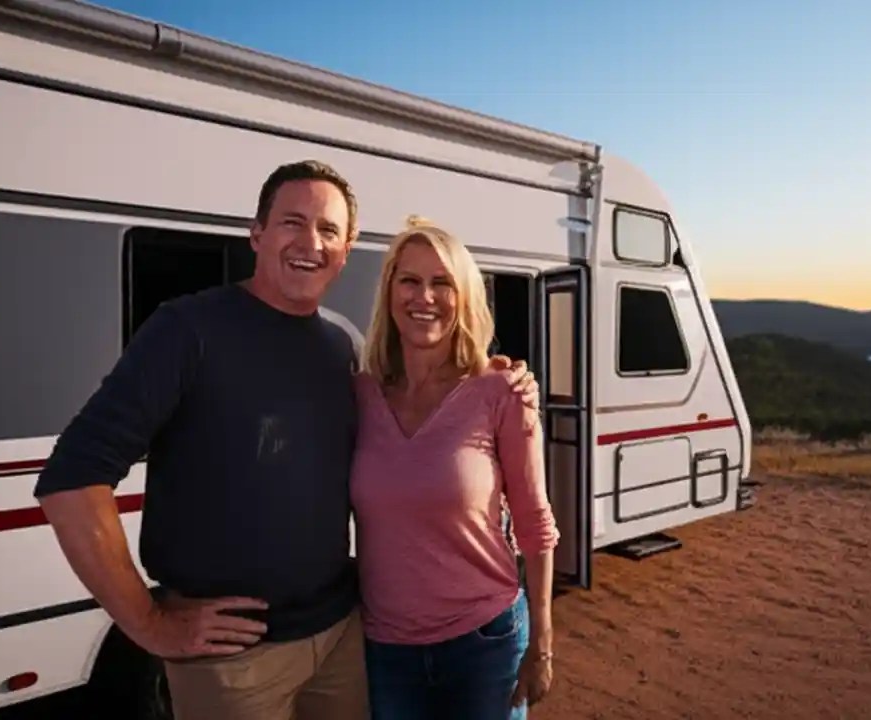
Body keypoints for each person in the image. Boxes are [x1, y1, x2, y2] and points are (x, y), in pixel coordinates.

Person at [32, 160, 538, 720]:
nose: (310, 243)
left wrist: (487, 373)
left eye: (328, 231)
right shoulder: (188, 331)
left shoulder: (341, 352)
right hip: (236, 659)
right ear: (257, 233)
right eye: (292, 223)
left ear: (346, 252)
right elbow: (72, 479)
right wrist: (148, 624)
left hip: (347, 637)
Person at [350, 216, 560, 719]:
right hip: (386, 649)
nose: (424, 296)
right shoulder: (360, 394)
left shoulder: (501, 392)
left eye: (442, 283)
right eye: (410, 281)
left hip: (485, 642)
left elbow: (535, 523)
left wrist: (543, 641)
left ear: (463, 296)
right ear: (390, 291)